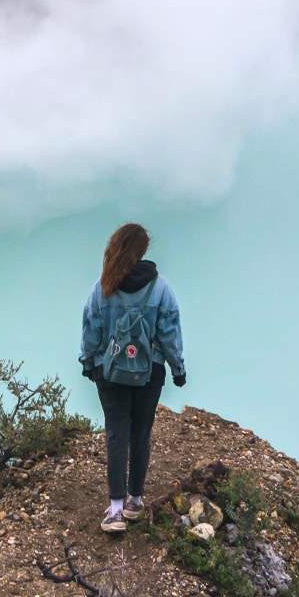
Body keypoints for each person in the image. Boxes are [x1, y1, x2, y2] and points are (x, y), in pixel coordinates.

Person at [80, 222, 185, 534]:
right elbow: (169, 332)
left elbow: (91, 327)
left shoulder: (104, 286)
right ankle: (135, 502)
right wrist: (177, 368)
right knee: (141, 433)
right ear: (142, 251)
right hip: (148, 372)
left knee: (116, 434)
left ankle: (114, 511)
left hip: (110, 373)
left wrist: (88, 362)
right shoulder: (161, 288)